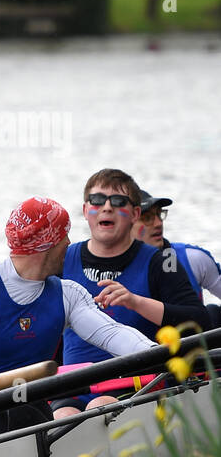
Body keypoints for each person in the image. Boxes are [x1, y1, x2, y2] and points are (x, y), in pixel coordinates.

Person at [0, 197, 155, 437]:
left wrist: (163, 354)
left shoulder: (68, 294)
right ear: (47, 244)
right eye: (64, 236)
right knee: (0, 413)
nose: (69, 243)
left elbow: (113, 334)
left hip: (29, 415)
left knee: (20, 409)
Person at [53, 169, 210, 416]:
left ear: (135, 214)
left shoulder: (160, 262)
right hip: (74, 384)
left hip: (137, 382)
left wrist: (136, 302)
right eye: (97, 200)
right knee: (63, 417)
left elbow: (198, 323)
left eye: (118, 202)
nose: (106, 207)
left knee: (98, 408)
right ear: (85, 211)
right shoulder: (62, 261)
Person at [134, 190, 221, 315]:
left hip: (193, 330)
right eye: (147, 218)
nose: (159, 223)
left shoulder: (194, 259)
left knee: (214, 313)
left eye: (160, 214)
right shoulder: (108, 271)